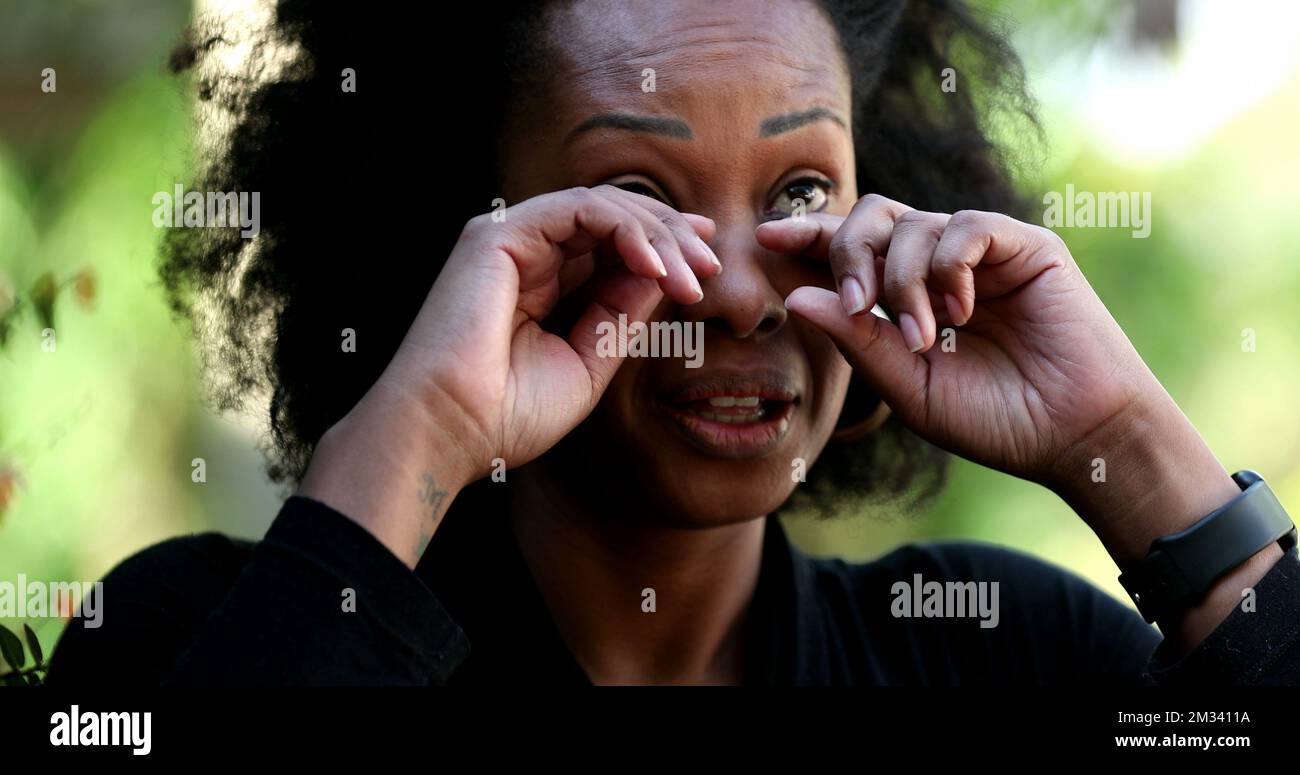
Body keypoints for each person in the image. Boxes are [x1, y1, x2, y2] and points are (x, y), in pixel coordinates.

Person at [47, 0, 1300, 685]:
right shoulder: (181, 637)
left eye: (803, 192)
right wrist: (420, 431)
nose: (740, 295)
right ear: (460, 240)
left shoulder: (1011, 659)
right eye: (640, 201)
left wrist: (1124, 449)